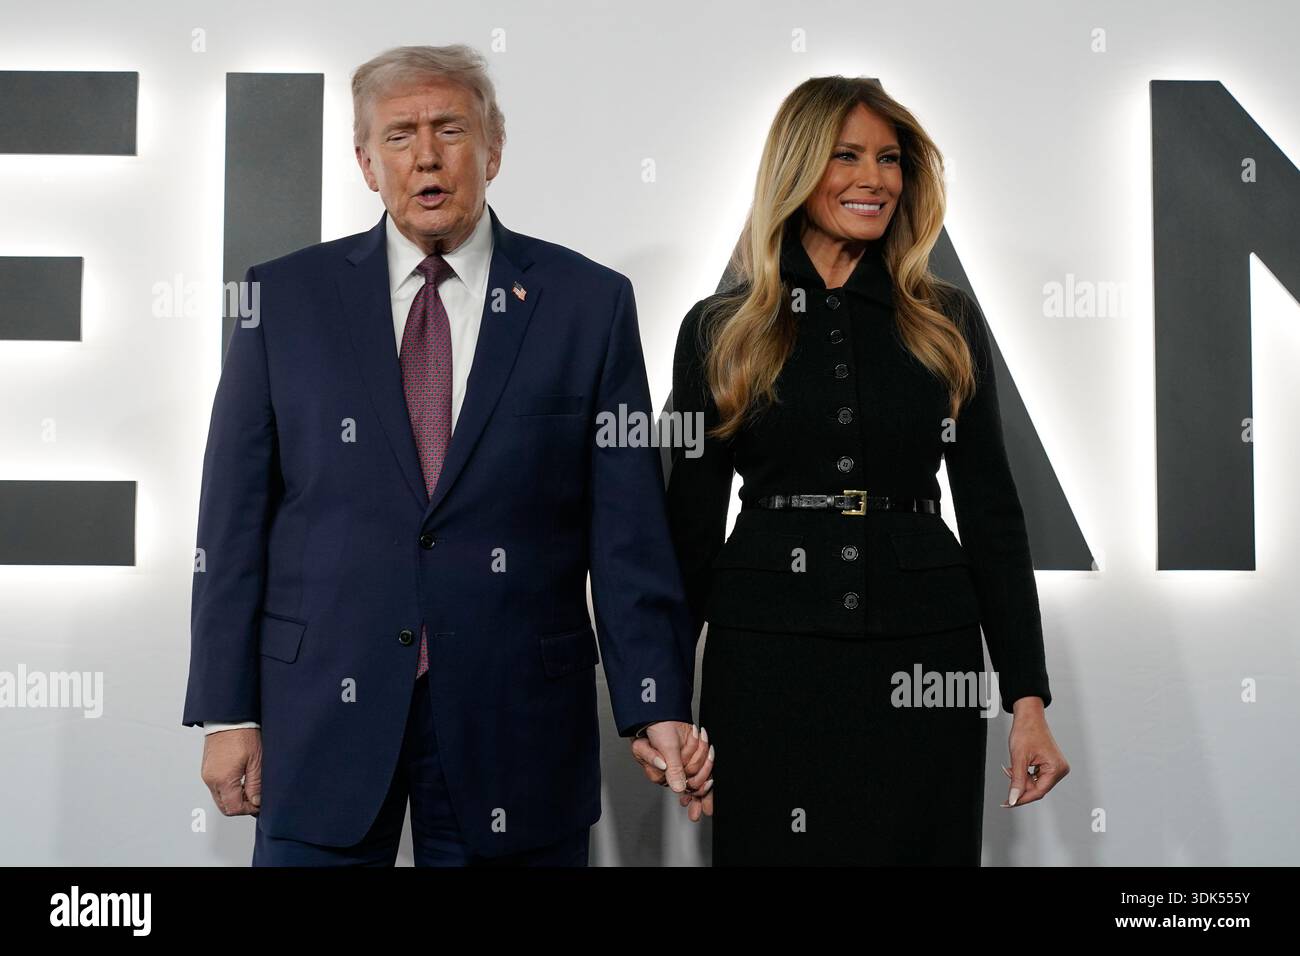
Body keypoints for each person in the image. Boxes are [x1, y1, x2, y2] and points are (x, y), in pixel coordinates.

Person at [183, 44, 713, 866]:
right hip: (320, 711)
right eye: (398, 136)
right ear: (365, 162)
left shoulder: (587, 303)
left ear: (494, 149)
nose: (426, 155)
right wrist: (228, 712)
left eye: (449, 129)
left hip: (515, 722)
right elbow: (233, 519)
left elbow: (628, 532)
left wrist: (655, 702)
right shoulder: (283, 300)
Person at [664, 76, 1069, 865]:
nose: (874, 179)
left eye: (889, 159)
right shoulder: (721, 328)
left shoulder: (945, 320)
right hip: (767, 664)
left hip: (926, 659)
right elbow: (689, 527)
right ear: (797, 167)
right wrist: (668, 704)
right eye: (845, 156)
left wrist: (1027, 699)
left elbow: (990, 511)